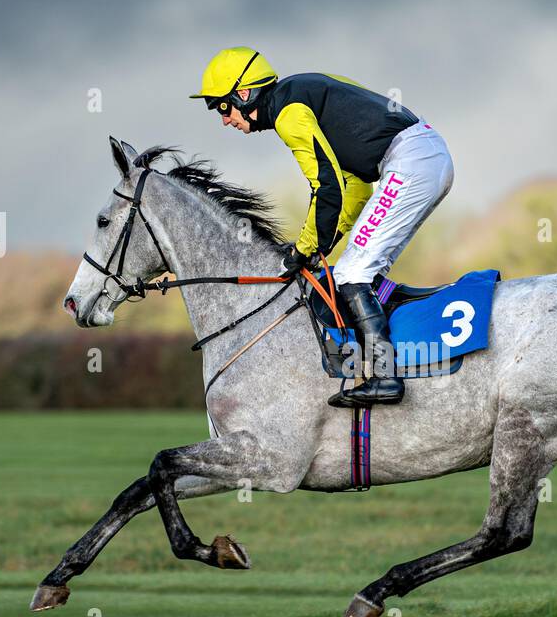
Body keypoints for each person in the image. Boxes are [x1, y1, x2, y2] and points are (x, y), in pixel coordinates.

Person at [190, 47, 454, 408]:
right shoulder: (301, 92)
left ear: (244, 93)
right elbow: (356, 188)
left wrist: (302, 250)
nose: (224, 120)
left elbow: (325, 187)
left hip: (411, 161)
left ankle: (385, 377)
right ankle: (396, 356)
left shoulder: (288, 113)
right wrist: (319, 247)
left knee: (351, 273)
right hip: (421, 157)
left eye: (222, 107)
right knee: (358, 267)